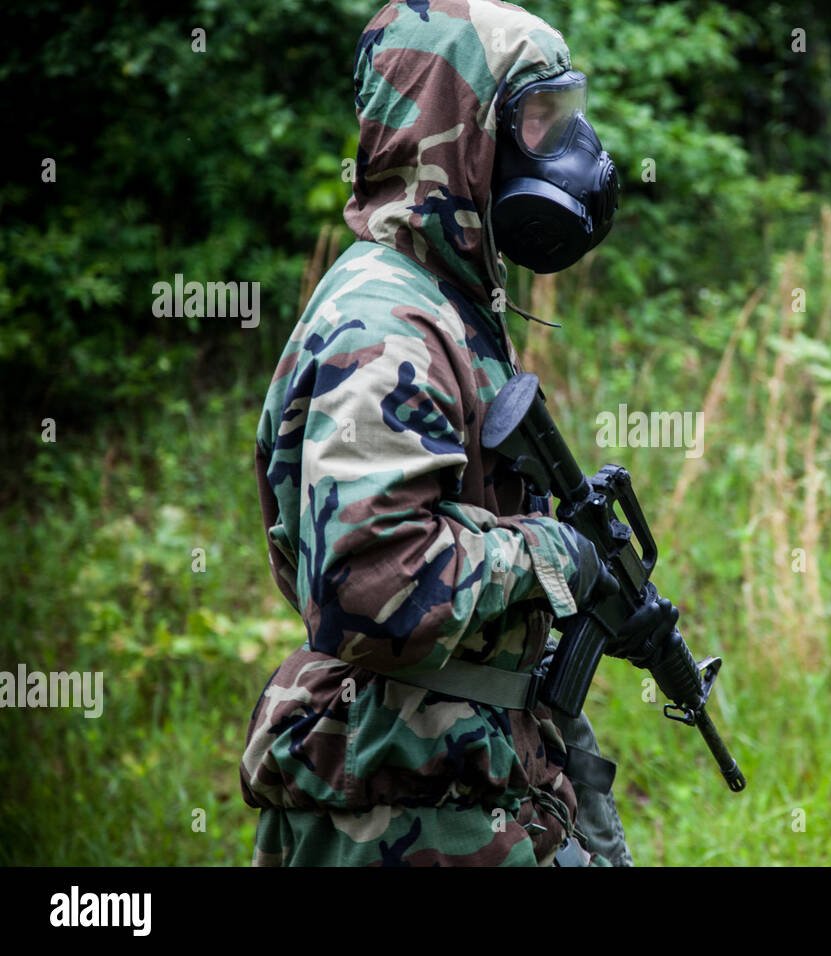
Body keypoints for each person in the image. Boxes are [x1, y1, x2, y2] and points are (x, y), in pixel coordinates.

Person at [239, 0, 674, 867]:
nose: (572, 152)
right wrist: (551, 555)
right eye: (541, 122)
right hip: (400, 811)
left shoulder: (444, 294)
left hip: (458, 779)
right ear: (462, 129)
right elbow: (370, 584)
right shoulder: (384, 322)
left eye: (568, 117)